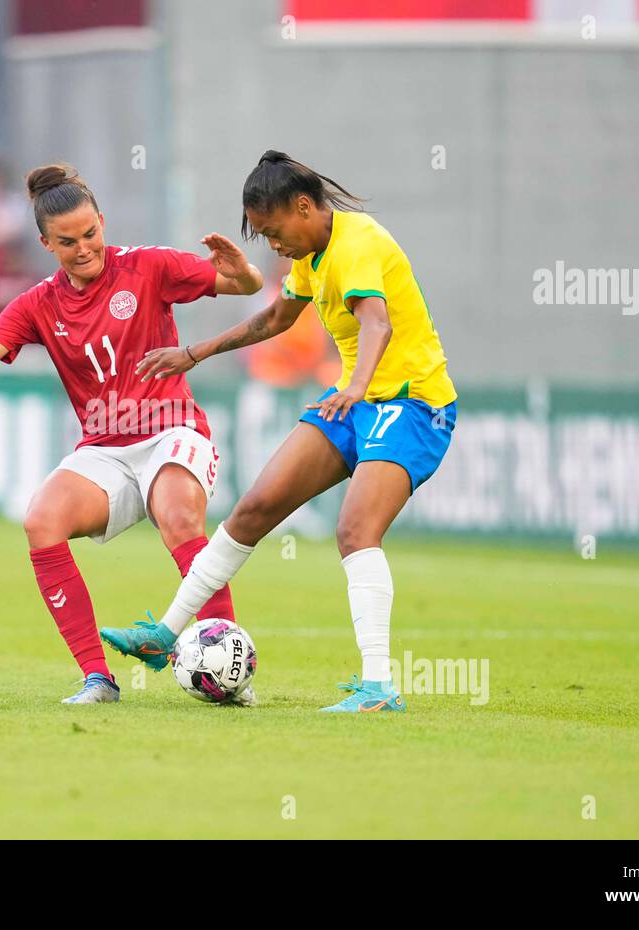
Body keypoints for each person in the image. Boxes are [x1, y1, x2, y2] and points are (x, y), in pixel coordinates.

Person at [101, 150, 458, 713]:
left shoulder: (358, 243)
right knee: (254, 509)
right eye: (265, 237)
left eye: (274, 231)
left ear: (303, 205)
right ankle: (165, 634)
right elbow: (274, 320)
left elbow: (376, 321)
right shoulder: (311, 260)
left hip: (413, 404)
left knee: (355, 530)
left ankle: (379, 688)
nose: (274, 246)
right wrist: (195, 352)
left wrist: (358, 385)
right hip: (357, 402)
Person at [0, 164, 264, 703]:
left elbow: (246, 286)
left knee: (177, 514)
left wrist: (241, 271)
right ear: (45, 243)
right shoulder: (38, 304)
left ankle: (230, 671)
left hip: (171, 428)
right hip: (105, 449)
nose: (83, 249)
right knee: (41, 520)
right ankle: (98, 679)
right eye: (67, 242)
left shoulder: (147, 267)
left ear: (102, 222)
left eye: (90, 234)